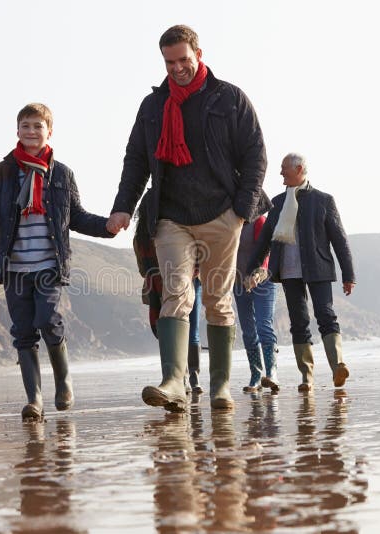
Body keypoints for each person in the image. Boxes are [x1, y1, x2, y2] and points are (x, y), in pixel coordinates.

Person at [107, 25, 267, 411]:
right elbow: (136, 160)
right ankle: (174, 382)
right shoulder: (153, 107)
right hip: (170, 217)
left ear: (199, 53)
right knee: (175, 293)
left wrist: (240, 213)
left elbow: (255, 155)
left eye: (183, 60)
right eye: (169, 61)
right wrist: (123, 206)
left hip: (221, 214)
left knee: (217, 298)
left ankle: (220, 388)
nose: (177, 68)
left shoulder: (229, 98)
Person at [0, 103, 113, 420]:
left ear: (49, 131)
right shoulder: (3, 172)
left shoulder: (62, 173)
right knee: (23, 332)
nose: (31, 131)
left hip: (49, 264)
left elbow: (77, 217)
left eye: (37, 126)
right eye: (25, 126)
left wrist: (108, 227)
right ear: (17, 130)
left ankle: (64, 382)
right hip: (14, 267)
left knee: (48, 319)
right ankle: (34, 400)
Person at [244, 153, 355, 392]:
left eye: (285, 169)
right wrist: (251, 270)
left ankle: (338, 367)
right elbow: (264, 241)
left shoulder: (323, 200)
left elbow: (340, 240)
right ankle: (307, 376)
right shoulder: (276, 204)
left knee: (326, 314)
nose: (281, 173)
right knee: (299, 322)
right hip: (288, 271)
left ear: (300, 169)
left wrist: (349, 275)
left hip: (318, 268)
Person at [133, 195, 204, 394]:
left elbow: (142, 268)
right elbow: (197, 258)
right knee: (192, 329)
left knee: (167, 329)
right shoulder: (180, 227)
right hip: (188, 280)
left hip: (156, 286)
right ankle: (193, 378)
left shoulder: (141, 238)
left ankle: (177, 377)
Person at [233, 209, 280, 393]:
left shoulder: (259, 220)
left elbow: (266, 251)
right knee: (248, 331)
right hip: (238, 283)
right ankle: (256, 375)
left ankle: (271, 373)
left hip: (263, 282)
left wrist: (257, 274)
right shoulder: (230, 224)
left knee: (264, 326)